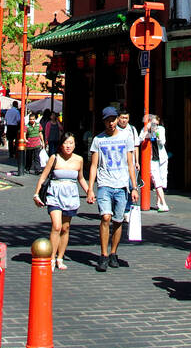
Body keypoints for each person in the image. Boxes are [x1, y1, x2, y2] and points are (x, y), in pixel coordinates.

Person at [87, 106, 139, 272]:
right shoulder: (98, 140)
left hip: (122, 184)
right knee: (106, 218)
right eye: (108, 120)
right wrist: (90, 188)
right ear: (104, 121)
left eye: (113, 119)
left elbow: (130, 164)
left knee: (118, 220)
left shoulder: (126, 138)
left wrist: (134, 187)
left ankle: (113, 253)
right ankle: (103, 255)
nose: (111, 123)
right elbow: (94, 165)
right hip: (105, 184)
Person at [33, 133, 90, 270]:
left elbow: (81, 178)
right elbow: (43, 177)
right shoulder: (54, 158)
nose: (68, 146)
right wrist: (36, 194)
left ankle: (60, 257)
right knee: (57, 226)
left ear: (75, 145)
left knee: (65, 228)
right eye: (66, 143)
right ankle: (51, 258)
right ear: (61, 144)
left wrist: (89, 192)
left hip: (70, 195)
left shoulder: (79, 160)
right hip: (55, 194)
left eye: (71, 143)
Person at [139, 114, 169, 210]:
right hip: (152, 159)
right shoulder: (145, 129)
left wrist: (156, 133)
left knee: (162, 179)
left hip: (162, 158)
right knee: (156, 180)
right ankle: (164, 204)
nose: (154, 126)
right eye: (153, 124)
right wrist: (146, 130)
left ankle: (158, 202)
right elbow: (139, 140)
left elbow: (162, 142)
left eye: (156, 124)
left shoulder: (161, 129)